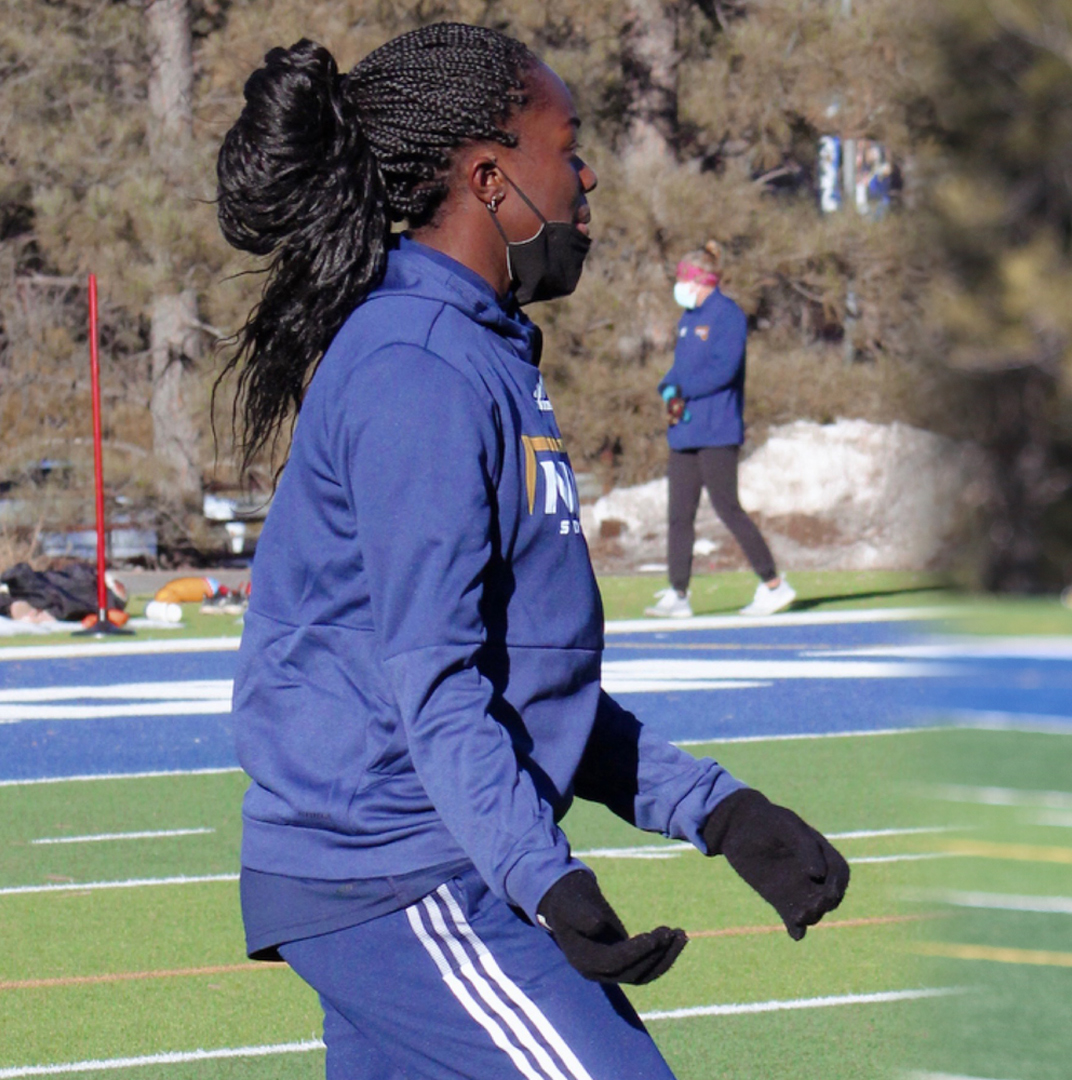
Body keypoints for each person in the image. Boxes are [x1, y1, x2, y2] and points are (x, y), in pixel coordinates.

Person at [215, 25, 848, 1079]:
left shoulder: (483, 354)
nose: (588, 172)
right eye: (569, 143)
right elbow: (436, 682)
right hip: (399, 871)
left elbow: (525, 687)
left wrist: (719, 812)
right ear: (490, 178)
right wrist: (543, 880)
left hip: (409, 865)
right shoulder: (418, 369)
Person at [644, 249, 796, 618]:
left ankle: (773, 584)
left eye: (684, 278)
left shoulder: (727, 315)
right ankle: (678, 593)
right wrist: (668, 387)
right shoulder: (687, 319)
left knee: (727, 507)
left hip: (717, 429)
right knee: (679, 514)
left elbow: (723, 370)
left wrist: (683, 390)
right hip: (685, 430)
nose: (679, 286)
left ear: (699, 280)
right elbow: (679, 368)